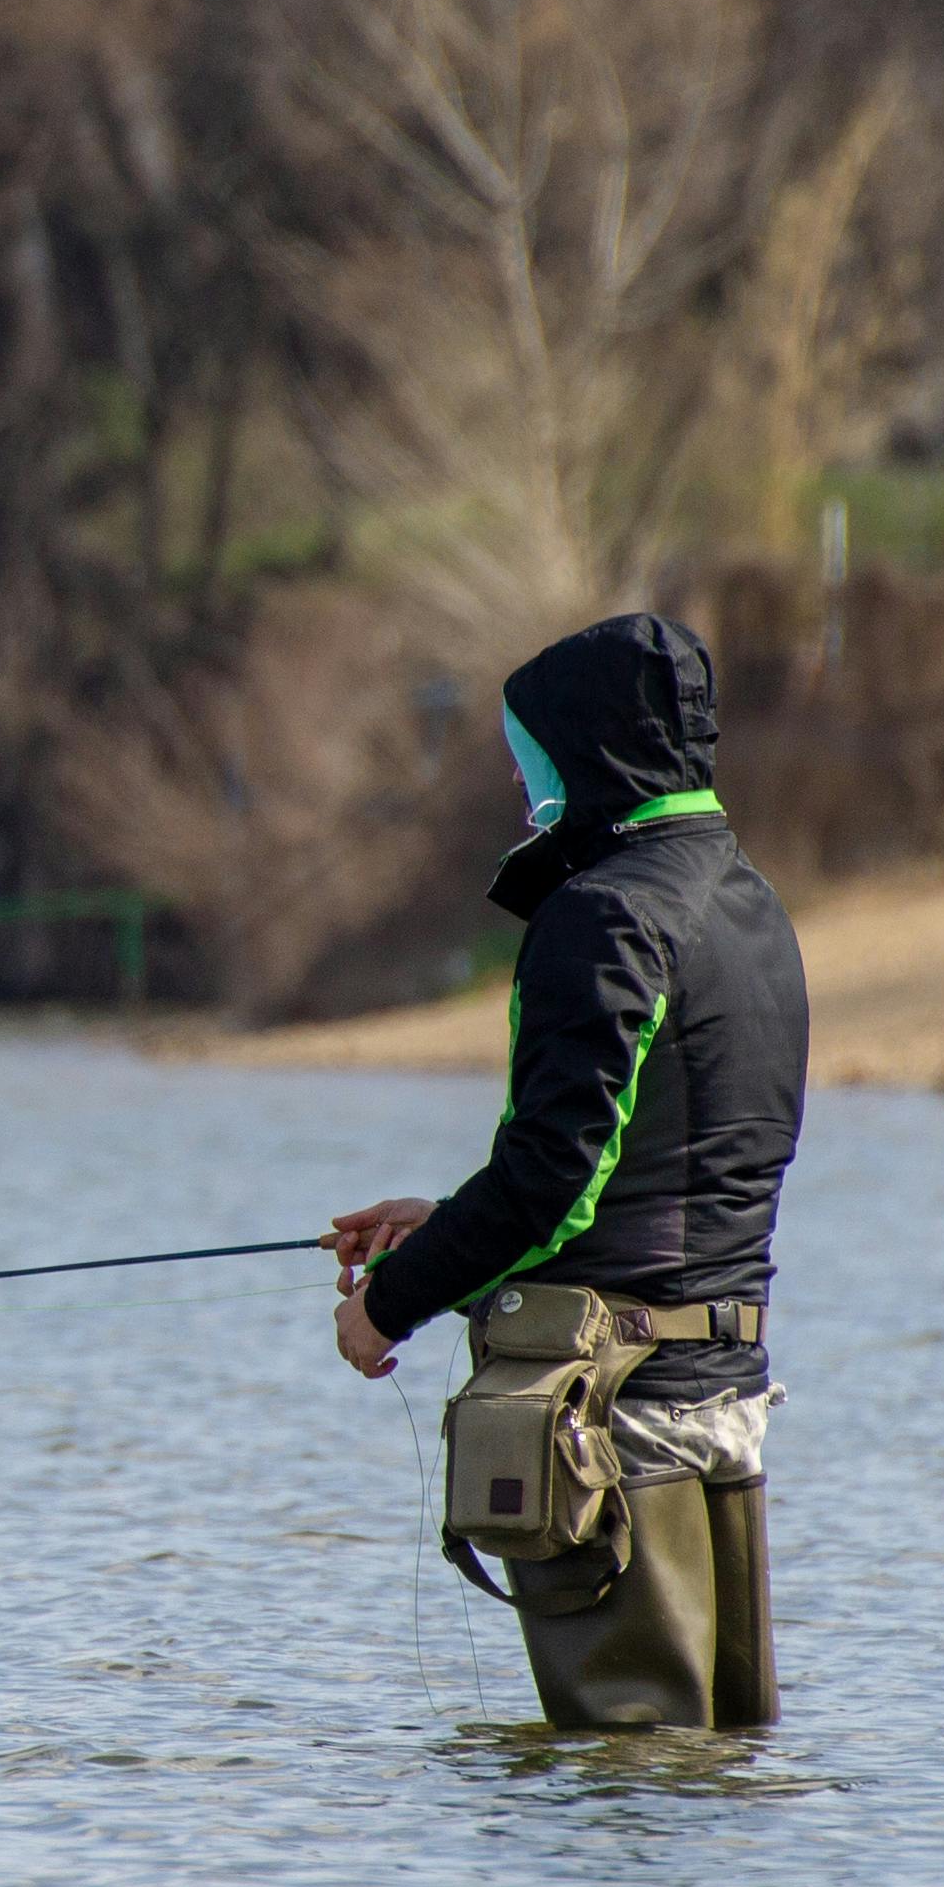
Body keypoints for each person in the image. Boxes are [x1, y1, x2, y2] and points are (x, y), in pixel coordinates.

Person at [327, 613, 809, 1730]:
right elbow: (650, 1170)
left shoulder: (602, 914)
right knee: (706, 1780)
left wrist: (392, 1303)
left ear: (591, 753)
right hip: (723, 1407)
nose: (517, 776)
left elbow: (555, 1180)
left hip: (615, 1427)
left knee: (619, 1790)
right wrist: (445, 1222)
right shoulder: (749, 902)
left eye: (531, 755)